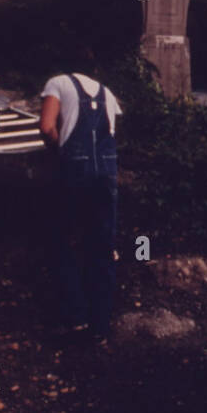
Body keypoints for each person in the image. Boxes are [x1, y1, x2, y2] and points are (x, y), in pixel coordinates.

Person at [39, 47, 122, 343]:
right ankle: (100, 326)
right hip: (107, 175)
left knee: (59, 239)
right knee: (101, 246)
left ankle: (74, 317)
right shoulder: (108, 93)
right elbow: (109, 135)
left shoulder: (57, 84)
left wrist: (58, 148)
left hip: (75, 172)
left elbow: (46, 126)